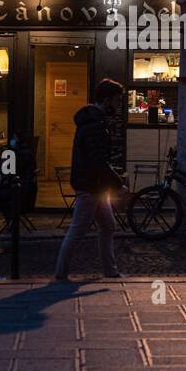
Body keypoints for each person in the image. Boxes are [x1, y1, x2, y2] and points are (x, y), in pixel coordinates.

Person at [54, 78, 129, 281]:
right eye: (117, 100)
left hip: (96, 186)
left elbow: (99, 159)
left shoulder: (94, 121)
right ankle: (61, 274)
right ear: (106, 100)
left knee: (108, 225)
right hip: (90, 186)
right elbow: (98, 160)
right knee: (78, 230)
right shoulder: (95, 124)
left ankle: (110, 270)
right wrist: (118, 184)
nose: (119, 104)